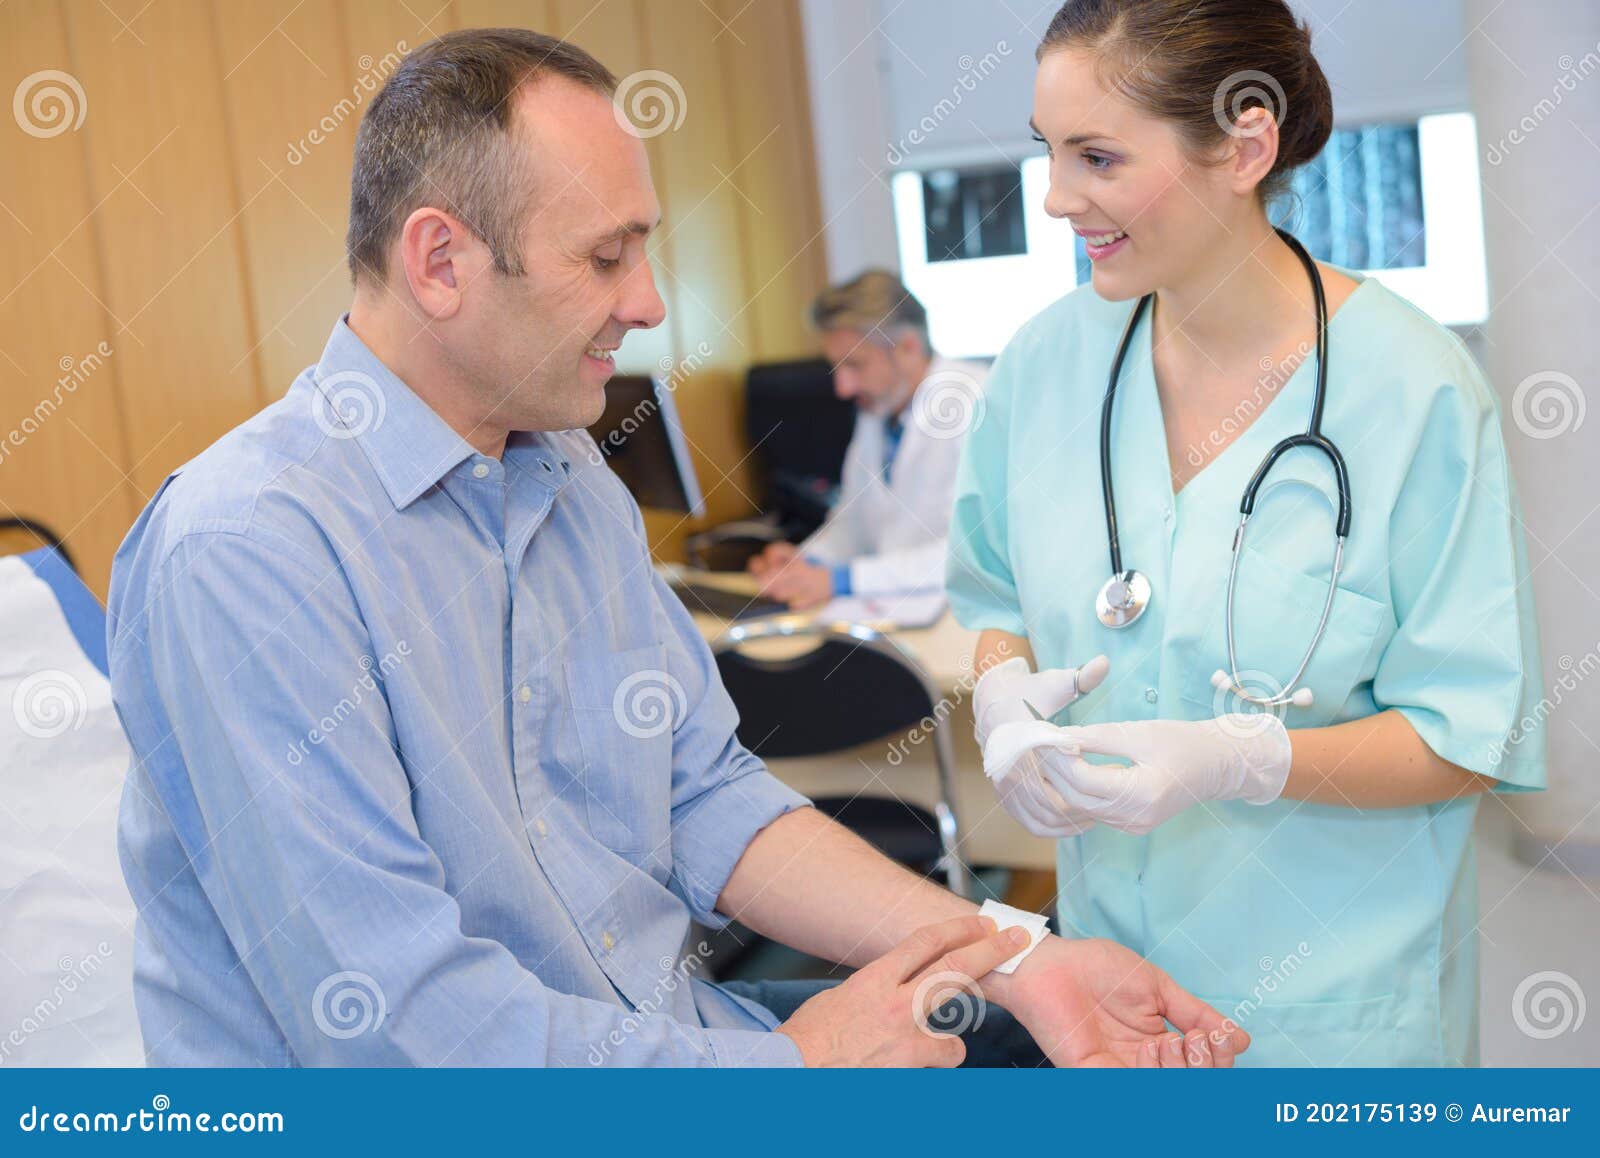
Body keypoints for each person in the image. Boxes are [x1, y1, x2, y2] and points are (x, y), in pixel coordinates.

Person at [107, 28, 1247, 1069]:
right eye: (605, 259)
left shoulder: (571, 480)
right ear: (440, 262)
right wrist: (793, 1074)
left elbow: (704, 796)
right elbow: (401, 1025)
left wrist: (1014, 957)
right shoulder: (247, 550)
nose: (649, 303)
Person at [949, 0, 1545, 1066]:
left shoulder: (1411, 391)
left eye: (1096, 157)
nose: (1054, 198)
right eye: (1047, 152)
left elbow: (1468, 738)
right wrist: (1000, 698)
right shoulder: (1042, 366)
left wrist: (1243, 759)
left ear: (1244, 142)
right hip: (1111, 1004)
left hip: (1340, 1014)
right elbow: (993, 597)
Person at [748, 272, 986, 609]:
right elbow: (852, 521)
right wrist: (804, 562)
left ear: (908, 347)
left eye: (855, 366)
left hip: (961, 621)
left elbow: (973, 555)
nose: (842, 388)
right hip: (898, 611)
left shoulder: (976, 402)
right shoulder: (878, 410)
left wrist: (842, 580)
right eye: (837, 368)